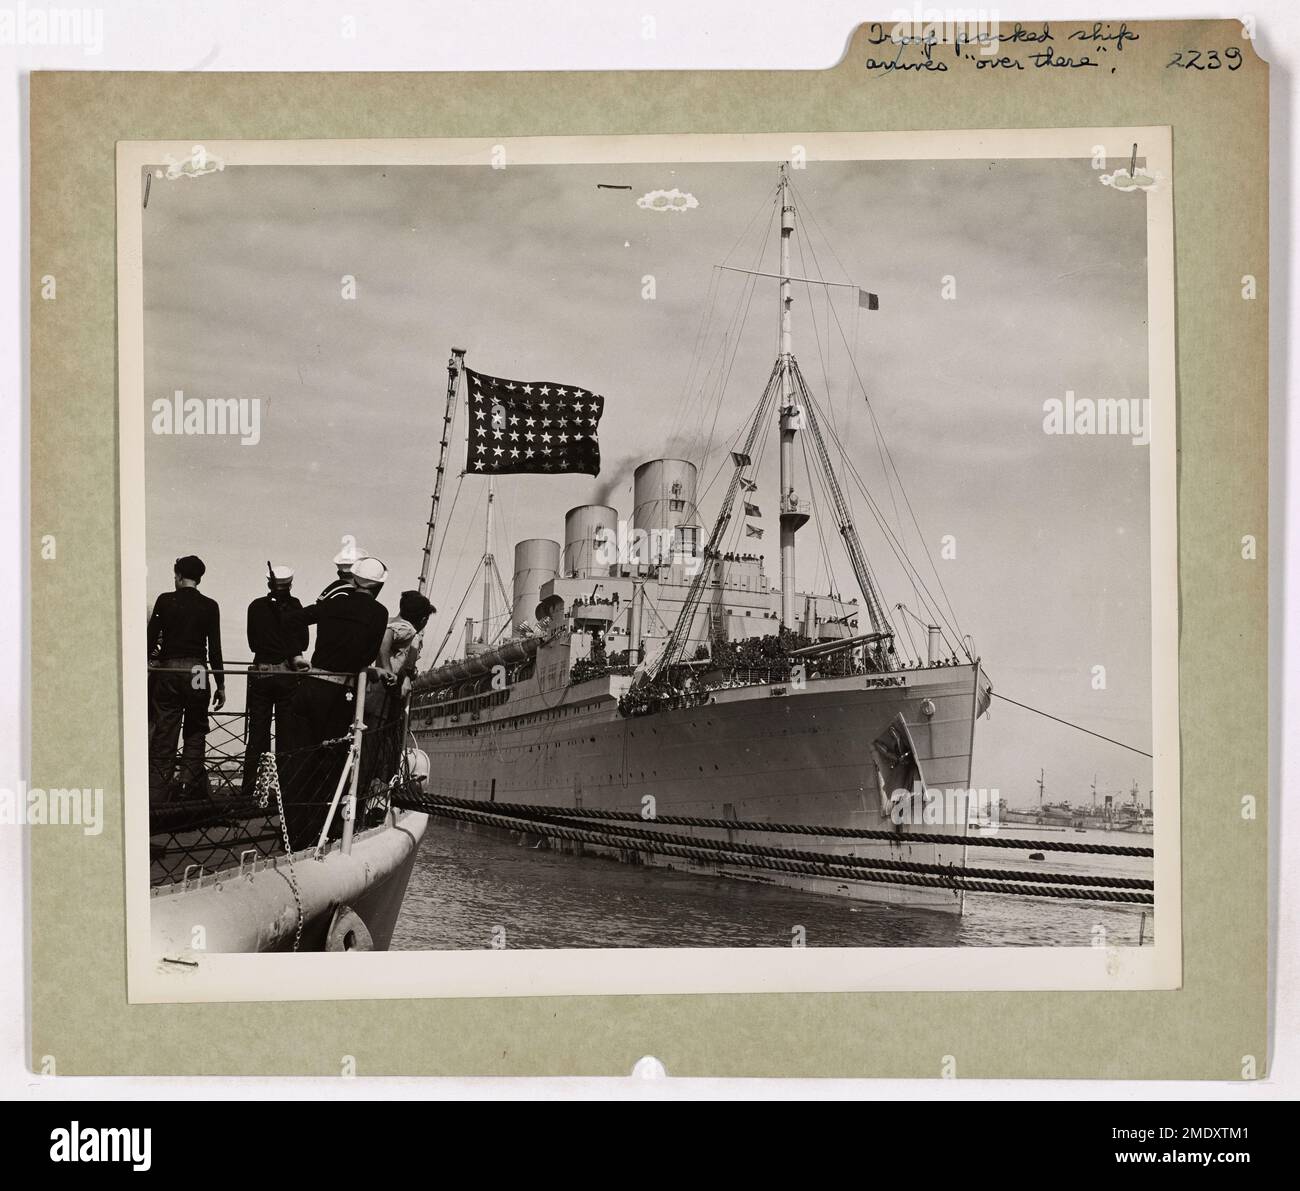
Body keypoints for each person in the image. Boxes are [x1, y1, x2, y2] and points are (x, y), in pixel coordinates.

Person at [279, 556, 391, 848]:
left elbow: (289, 621)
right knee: (328, 764)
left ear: (354, 580)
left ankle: (291, 833)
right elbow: (365, 656)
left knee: (299, 759)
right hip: (340, 694)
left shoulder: (334, 603)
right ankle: (319, 833)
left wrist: (296, 656)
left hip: (310, 686)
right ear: (378, 586)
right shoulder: (379, 613)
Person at [147, 555, 225, 802]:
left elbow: (150, 640)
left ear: (179, 576)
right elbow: (215, 649)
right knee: (196, 727)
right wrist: (221, 684)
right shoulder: (210, 606)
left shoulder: (165, 600)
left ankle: (156, 792)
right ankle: (187, 787)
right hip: (198, 672)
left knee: (165, 729)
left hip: (168, 670)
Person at [241, 564, 309, 796]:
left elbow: (252, 643)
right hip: (287, 674)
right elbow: (304, 643)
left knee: (257, 733)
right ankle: (286, 790)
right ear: (290, 584)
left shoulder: (256, 606)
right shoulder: (296, 606)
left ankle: (250, 789)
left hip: (261, 672)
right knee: (286, 734)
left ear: (269, 583)